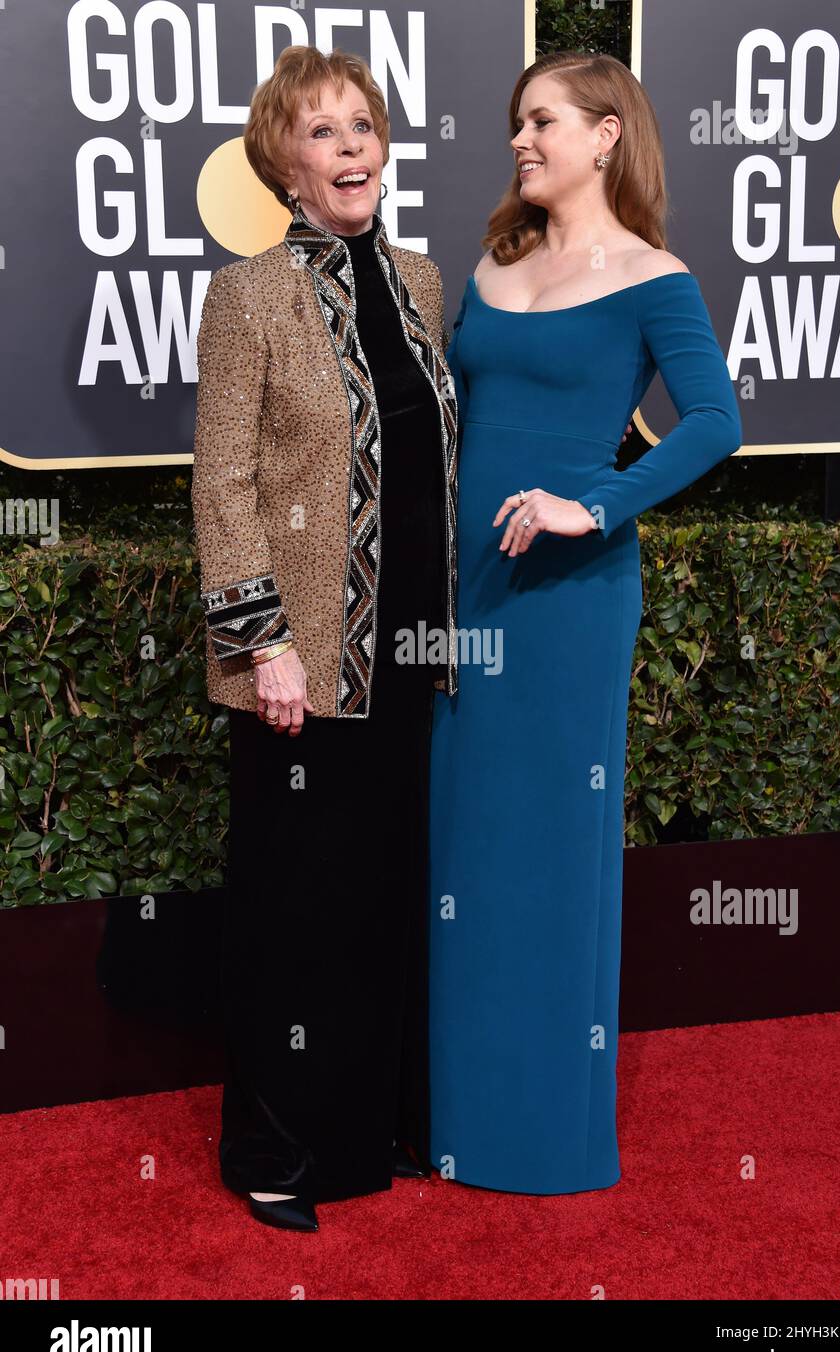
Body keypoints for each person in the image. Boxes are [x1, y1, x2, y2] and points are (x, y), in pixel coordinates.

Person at [428, 51, 742, 1194]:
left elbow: (714, 422)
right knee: (463, 850)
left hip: (568, 604)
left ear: (606, 136)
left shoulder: (655, 276)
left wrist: (593, 501)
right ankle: (453, 1120)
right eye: (517, 120)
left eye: (544, 119)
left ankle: (548, 1138)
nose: (521, 138)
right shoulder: (492, 261)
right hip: (466, 593)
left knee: (549, 862)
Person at [191, 44, 459, 1230]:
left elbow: (434, 464)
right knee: (297, 899)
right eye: (324, 132)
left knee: (384, 887)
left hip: (405, 648)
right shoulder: (247, 292)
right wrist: (265, 644)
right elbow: (221, 485)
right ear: (284, 165)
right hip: (301, 656)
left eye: (363, 126)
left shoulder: (421, 280)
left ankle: (368, 1130)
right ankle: (278, 1151)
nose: (352, 148)